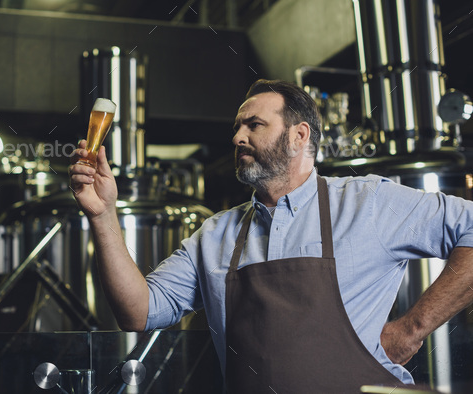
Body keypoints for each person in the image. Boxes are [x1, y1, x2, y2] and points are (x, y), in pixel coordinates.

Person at [69, 79, 473, 393]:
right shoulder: (214, 236)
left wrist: (412, 328)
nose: (237, 137)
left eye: (254, 125)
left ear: (299, 136)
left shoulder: (366, 202)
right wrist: (104, 215)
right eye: (237, 127)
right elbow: (138, 312)